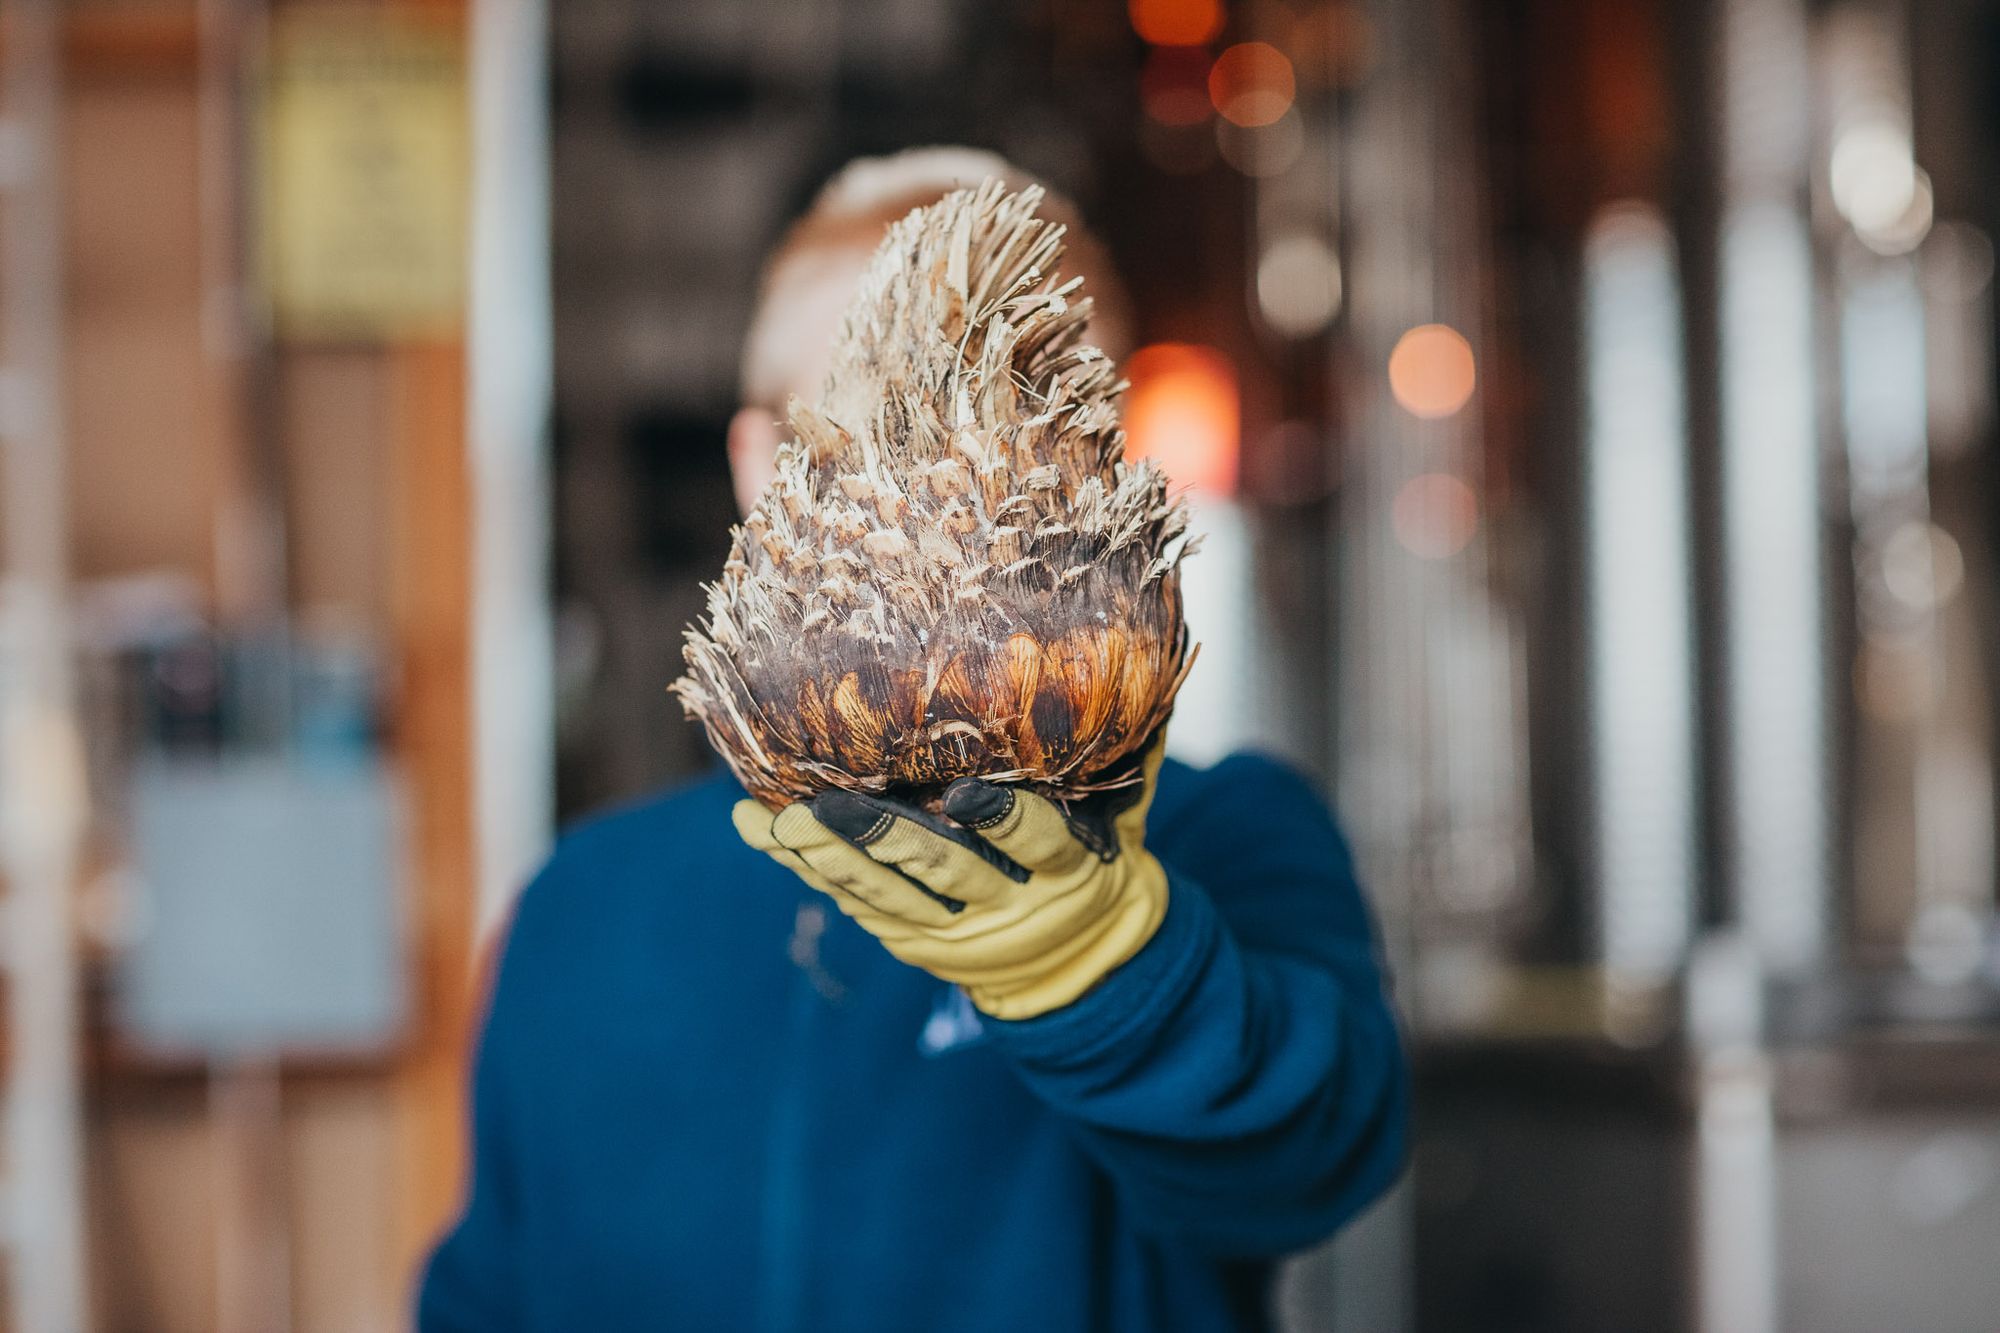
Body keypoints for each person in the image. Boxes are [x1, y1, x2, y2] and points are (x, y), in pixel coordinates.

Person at [418, 147, 1408, 1333]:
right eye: (873, 452)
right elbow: (488, 1294)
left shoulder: (1235, 836)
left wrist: (1104, 976)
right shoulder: (579, 909)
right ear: (755, 470)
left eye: (1008, 450)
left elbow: (1311, 1163)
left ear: (1108, 482)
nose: (942, 520)